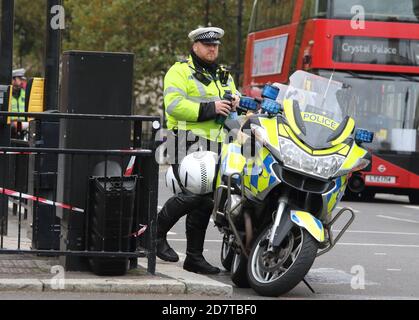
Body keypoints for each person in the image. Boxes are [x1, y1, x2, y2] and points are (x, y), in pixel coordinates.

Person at [157, 27, 240, 274]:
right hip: (182, 139)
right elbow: (173, 106)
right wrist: (211, 108)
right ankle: (154, 233)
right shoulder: (180, 71)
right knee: (195, 193)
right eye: (207, 45)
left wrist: (236, 100)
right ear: (195, 47)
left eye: (215, 45)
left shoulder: (224, 75)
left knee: (205, 201)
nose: (212, 49)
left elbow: (234, 99)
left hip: (215, 144)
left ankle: (194, 257)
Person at [11, 68, 28, 138]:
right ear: (13, 80)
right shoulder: (7, 94)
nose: (22, 82)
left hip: (23, 128)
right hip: (9, 127)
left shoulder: (25, 93)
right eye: (20, 79)